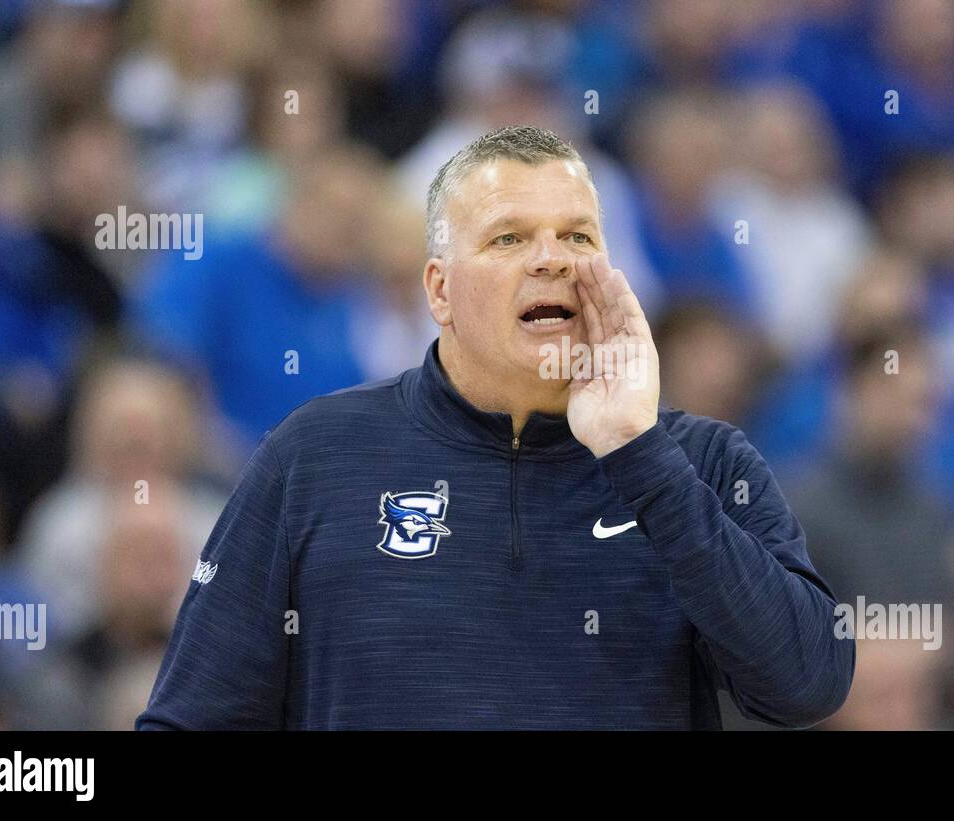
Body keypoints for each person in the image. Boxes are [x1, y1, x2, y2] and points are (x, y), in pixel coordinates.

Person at [137, 125, 854, 730]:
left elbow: (807, 682)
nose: (552, 258)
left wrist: (639, 454)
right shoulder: (314, 456)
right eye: (509, 238)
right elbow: (190, 718)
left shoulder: (698, 460)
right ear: (440, 290)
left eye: (578, 235)